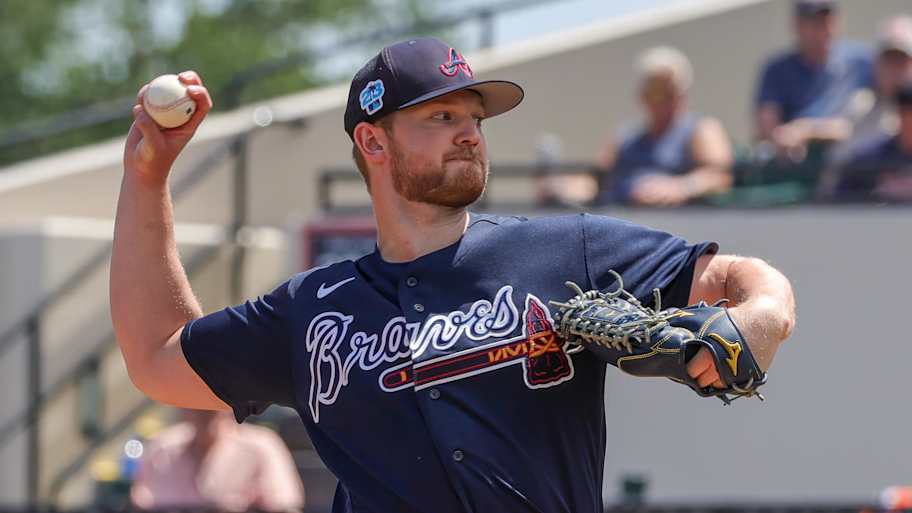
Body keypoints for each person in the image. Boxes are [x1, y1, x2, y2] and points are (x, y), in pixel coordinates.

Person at [111, 38, 796, 513]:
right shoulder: (314, 308)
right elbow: (157, 356)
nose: (470, 131)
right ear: (372, 142)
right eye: (442, 115)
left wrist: (758, 319)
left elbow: (741, 275)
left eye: (474, 117)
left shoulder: (568, 251)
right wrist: (147, 179)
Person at [538, 46, 733, 207]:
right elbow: (595, 181)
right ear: (642, 96)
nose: (662, 100)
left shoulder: (701, 129)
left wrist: (680, 187)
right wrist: (558, 188)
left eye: (669, 91)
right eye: (655, 92)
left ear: (683, 93)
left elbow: (719, 176)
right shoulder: (625, 136)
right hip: (625, 222)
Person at [754, 0, 873, 161]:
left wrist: (806, 130)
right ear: (796, 25)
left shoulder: (861, 61)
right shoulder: (776, 69)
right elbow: (768, 125)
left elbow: (855, 125)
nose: (823, 30)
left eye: (826, 20)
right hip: (796, 160)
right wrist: (783, 139)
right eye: (814, 22)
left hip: (849, 158)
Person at [130, 409, 305, 512]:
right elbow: (140, 504)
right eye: (194, 396)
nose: (204, 409)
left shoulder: (262, 445)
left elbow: (286, 507)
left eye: (211, 397)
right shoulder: (161, 447)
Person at [827, 15, 912, 167]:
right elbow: (840, 159)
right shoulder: (860, 104)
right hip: (863, 186)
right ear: (877, 63)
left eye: (901, 61)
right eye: (889, 60)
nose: (894, 70)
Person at [822, 80, 912, 202]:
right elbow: (839, 197)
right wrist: (877, 193)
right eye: (908, 112)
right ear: (900, 112)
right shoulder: (871, 158)